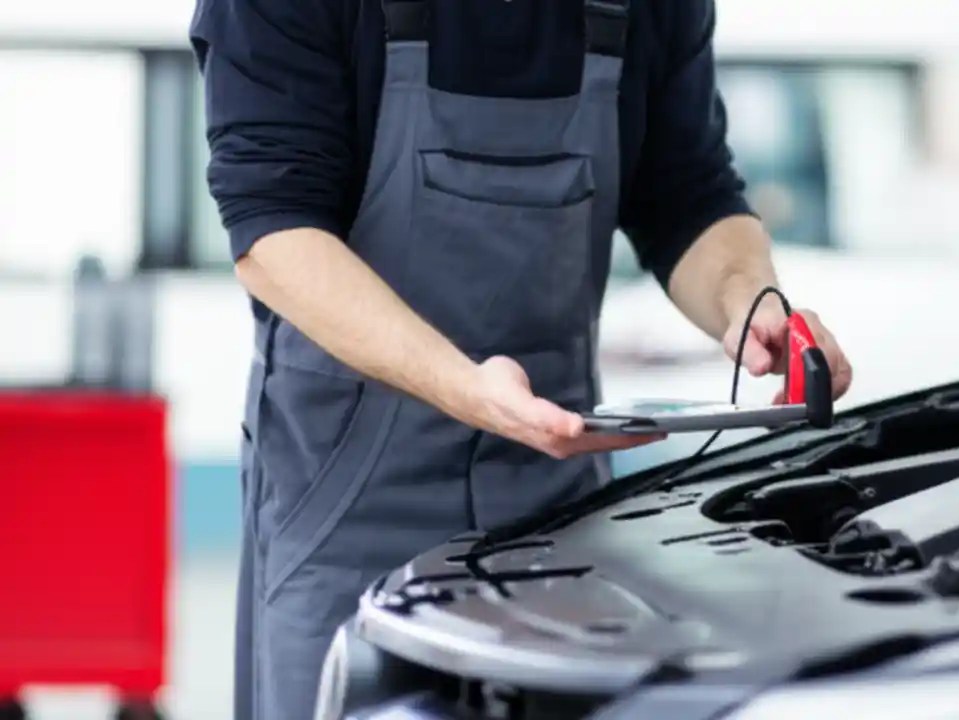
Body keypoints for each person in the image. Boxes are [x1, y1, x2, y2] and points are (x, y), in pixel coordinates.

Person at [191, 0, 853, 717]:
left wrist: (749, 304)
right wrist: (467, 389)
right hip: (347, 501)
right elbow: (274, 233)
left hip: (557, 499)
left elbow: (688, 192)